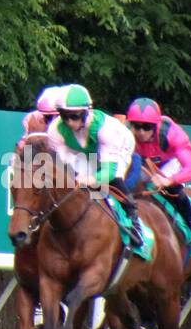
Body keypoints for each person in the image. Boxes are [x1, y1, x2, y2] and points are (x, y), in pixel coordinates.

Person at [46, 83, 142, 248]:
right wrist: (76, 176)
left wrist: (92, 178)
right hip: (85, 149)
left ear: (86, 112)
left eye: (74, 116)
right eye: (64, 116)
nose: (69, 122)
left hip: (119, 145)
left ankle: (134, 220)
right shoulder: (55, 130)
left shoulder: (108, 130)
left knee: (112, 179)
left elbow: (109, 172)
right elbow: (62, 165)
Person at [125, 97, 191, 239]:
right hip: (141, 162)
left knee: (171, 188)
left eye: (147, 127)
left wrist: (169, 181)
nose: (141, 132)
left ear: (155, 126)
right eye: (136, 126)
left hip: (168, 163)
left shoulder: (171, 133)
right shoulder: (124, 132)